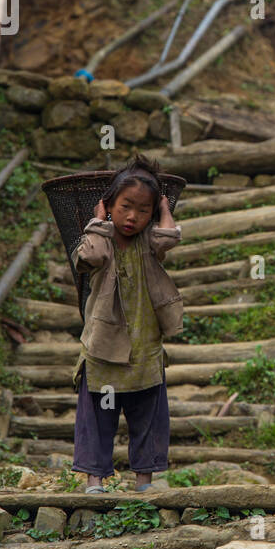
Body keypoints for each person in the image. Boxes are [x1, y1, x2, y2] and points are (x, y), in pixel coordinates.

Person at [70, 155, 183, 492]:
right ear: (109, 205)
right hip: (104, 342)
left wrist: (164, 208)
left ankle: (144, 480)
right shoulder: (101, 241)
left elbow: (167, 238)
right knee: (97, 414)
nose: (133, 216)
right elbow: (90, 257)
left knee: (148, 410)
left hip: (144, 342)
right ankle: (95, 478)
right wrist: (100, 221)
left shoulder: (149, 242)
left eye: (144, 210)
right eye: (125, 206)